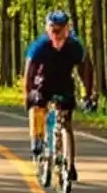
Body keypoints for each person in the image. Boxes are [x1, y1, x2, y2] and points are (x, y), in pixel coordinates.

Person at [24, 10, 97, 181]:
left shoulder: (74, 46)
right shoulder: (40, 46)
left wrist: (88, 93)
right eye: (53, 30)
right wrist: (27, 95)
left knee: (66, 123)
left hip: (64, 85)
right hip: (42, 84)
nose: (57, 35)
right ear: (48, 30)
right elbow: (29, 73)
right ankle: (37, 140)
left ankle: (70, 165)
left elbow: (86, 69)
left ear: (67, 29)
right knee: (37, 106)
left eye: (60, 30)